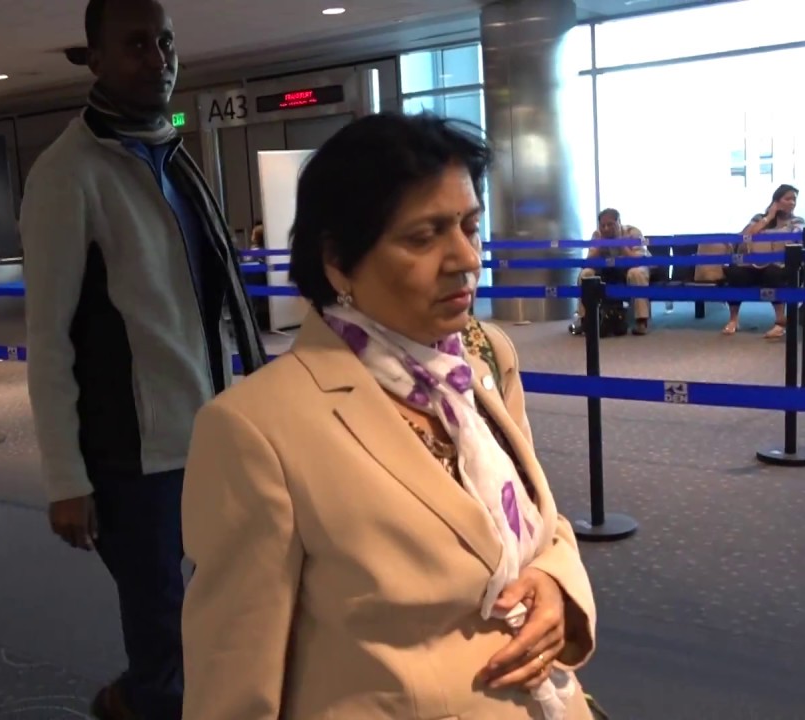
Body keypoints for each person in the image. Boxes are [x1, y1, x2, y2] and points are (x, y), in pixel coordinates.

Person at [181, 113, 599, 720]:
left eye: (470, 226)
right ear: (338, 261)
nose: (465, 258)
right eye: (424, 236)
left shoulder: (480, 358)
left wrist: (559, 587)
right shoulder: (256, 429)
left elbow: (542, 522)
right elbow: (233, 680)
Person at [18, 0, 266, 717]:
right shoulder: (69, 173)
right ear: (94, 60)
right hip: (134, 451)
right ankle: (147, 703)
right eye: (135, 45)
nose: (158, 58)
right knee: (160, 619)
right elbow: (49, 336)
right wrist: (66, 477)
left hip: (213, 430)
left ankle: (144, 696)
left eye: (165, 41)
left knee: (224, 594)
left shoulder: (174, 157)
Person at [723, 184, 804, 338]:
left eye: (794, 199)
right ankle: (733, 319)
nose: (792, 202)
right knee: (735, 273)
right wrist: (769, 218)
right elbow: (746, 235)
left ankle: (780, 322)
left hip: (779, 263)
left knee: (773, 274)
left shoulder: (797, 220)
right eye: (788, 199)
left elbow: (795, 237)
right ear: (776, 201)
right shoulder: (759, 218)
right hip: (753, 263)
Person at [574, 208, 651, 335]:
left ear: (619, 222)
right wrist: (600, 247)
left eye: (610, 225)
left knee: (636, 273)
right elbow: (588, 262)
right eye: (602, 225)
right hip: (606, 271)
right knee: (585, 274)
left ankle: (641, 321)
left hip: (630, 268)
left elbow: (639, 260)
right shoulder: (597, 235)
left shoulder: (632, 232)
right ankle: (585, 321)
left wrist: (620, 244)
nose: (606, 229)